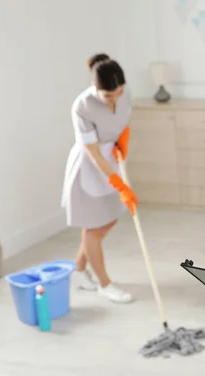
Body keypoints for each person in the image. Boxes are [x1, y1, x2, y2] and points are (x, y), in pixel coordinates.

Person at [61, 53, 137, 304]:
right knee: (93, 227)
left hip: (112, 159)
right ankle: (104, 284)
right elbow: (93, 153)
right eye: (108, 95)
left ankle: (79, 271)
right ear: (96, 88)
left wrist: (122, 140)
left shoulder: (124, 93)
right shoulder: (82, 106)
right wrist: (119, 184)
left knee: (109, 220)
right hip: (90, 168)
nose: (114, 98)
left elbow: (122, 122)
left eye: (118, 92)